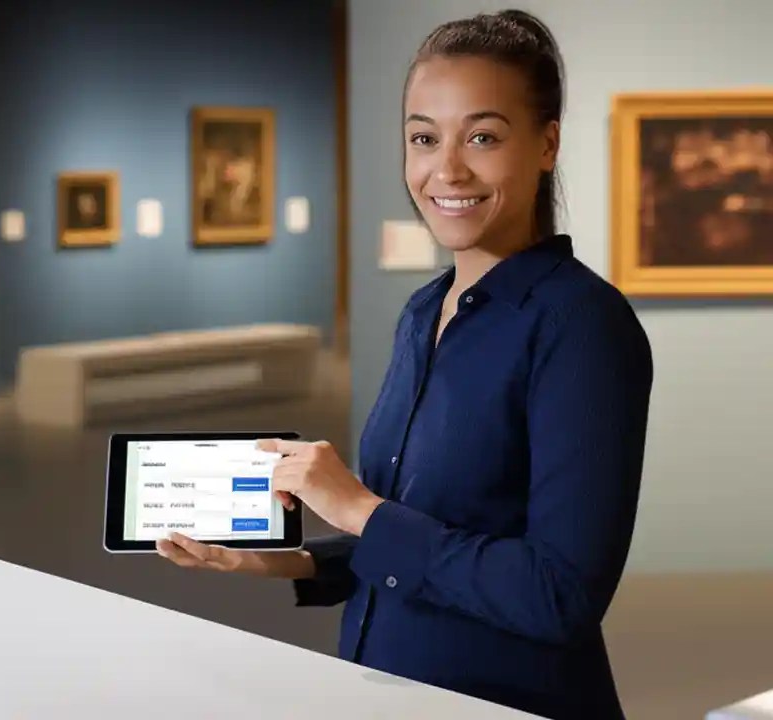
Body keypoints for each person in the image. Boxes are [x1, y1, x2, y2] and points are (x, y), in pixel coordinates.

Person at [156, 10, 653, 720]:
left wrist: (356, 505)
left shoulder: (582, 324)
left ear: (547, 145)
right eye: (424, 138)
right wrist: (282, 559)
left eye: (482, 137)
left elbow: (558, 593)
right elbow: (416, 532)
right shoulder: (425, 312)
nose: (446, 169)